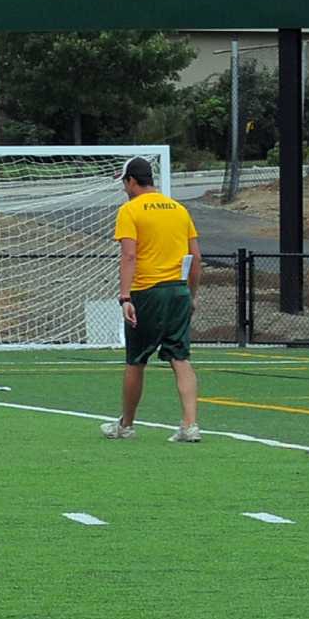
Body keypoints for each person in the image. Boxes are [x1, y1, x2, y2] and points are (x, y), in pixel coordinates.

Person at [103, 156, 202, 444]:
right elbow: (196, 258)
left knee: (136, 360)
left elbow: (129, 255)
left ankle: (127, 425)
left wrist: (125, 297)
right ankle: (190, 425)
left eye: (125, 183)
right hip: (178, 291)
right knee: (181, 358)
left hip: (148, 292)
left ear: (131, 181)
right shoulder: (179, 209)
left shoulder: (130, 211)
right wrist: (191, 295)